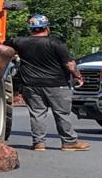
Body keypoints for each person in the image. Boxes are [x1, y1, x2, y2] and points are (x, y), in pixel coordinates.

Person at [5, 15, 87, 152]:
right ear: (47, 28)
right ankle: (69, 142)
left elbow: (4, 46)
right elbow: (70, 64)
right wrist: (78, 76)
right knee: (62, 113)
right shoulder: (56, 43)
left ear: (30, 29)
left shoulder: (19, 42)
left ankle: (39, 143)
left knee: (37, 113)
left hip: (31, 84)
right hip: (57, 84)